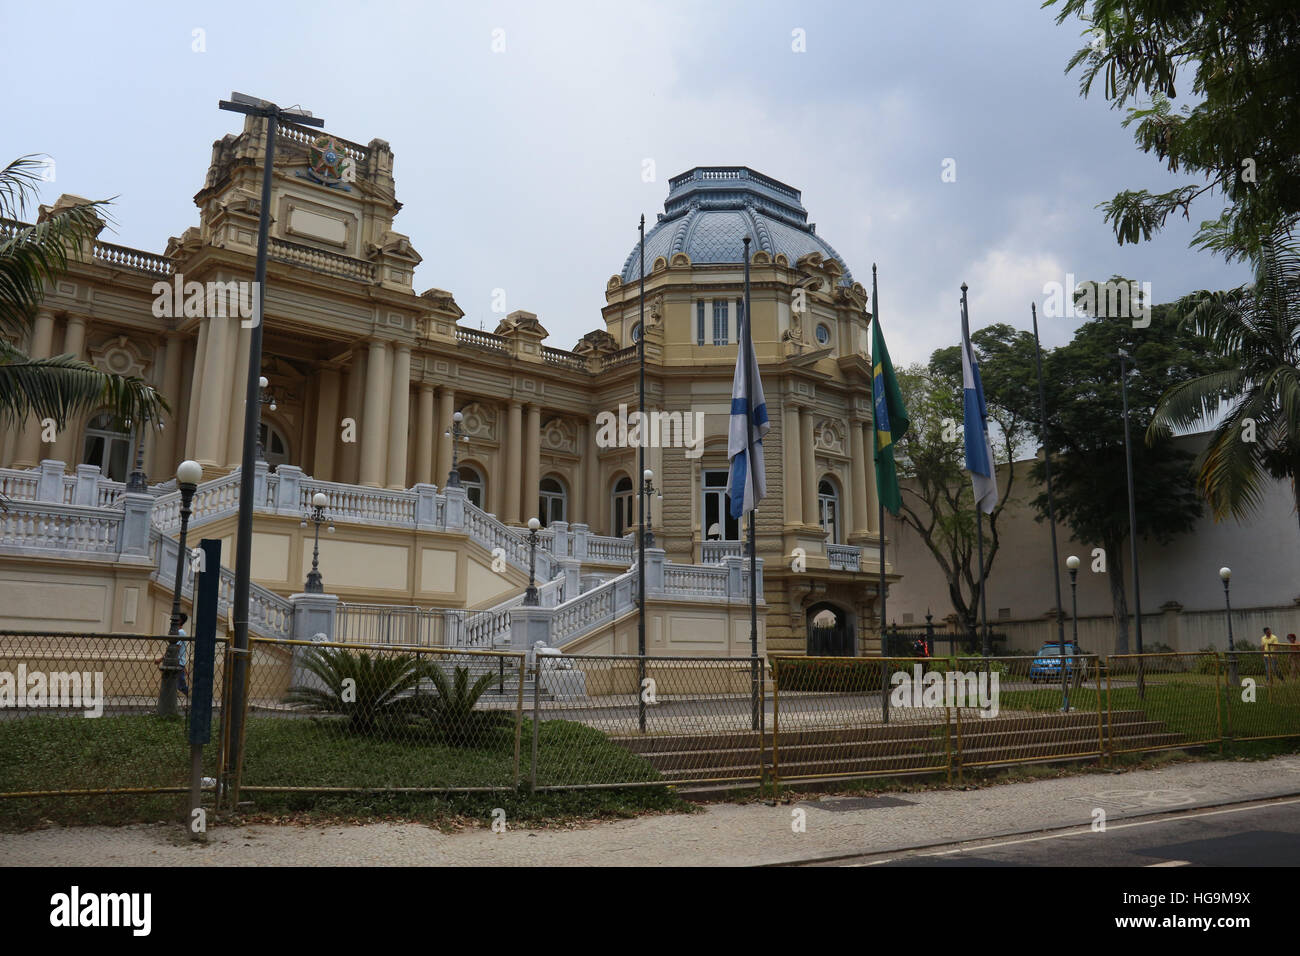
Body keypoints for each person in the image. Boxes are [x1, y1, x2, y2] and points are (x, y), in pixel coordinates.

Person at [154, 613, 190, 698]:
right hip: (176, 662)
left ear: (180, 620)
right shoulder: (179, 632)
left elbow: (174, 648)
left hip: (177, 662)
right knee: (173, 684)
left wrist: (160, 659)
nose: (171, 621)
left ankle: (194, 698)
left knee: (180, 686)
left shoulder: (180, 632)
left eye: (174, 619)